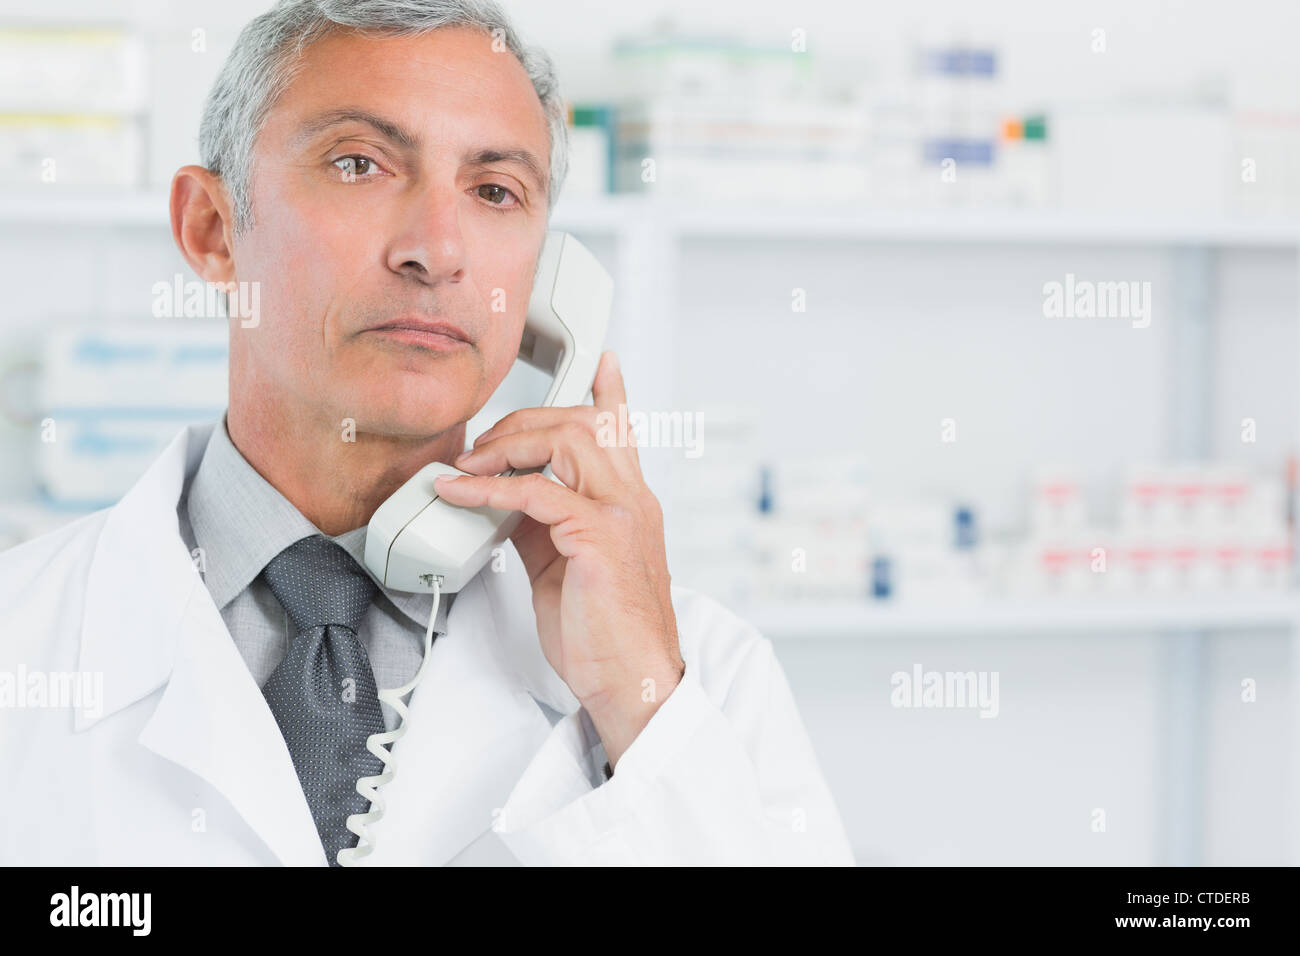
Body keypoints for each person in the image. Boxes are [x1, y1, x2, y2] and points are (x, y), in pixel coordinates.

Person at [0, 0, 853, 866]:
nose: (436, 250)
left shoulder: (695, 677)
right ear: (213, 231)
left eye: (494, 191)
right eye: (360, 163)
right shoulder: (20, 638)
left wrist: (634, 708)